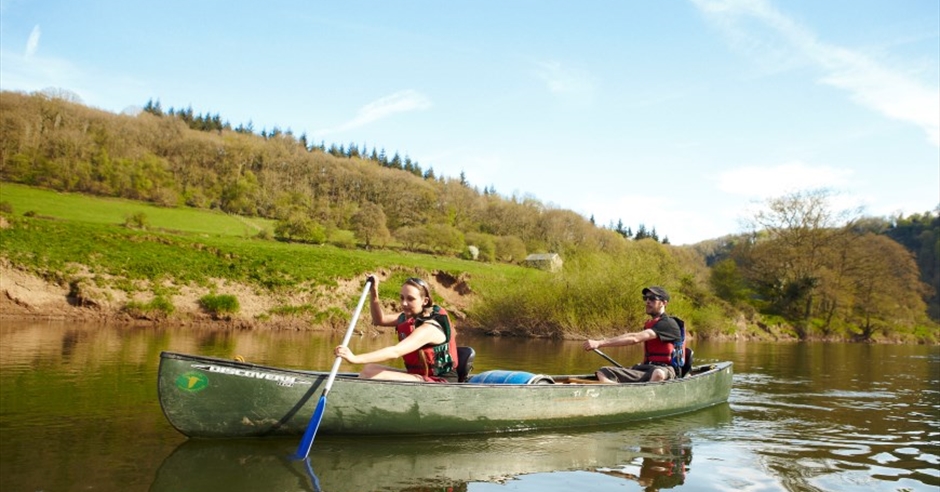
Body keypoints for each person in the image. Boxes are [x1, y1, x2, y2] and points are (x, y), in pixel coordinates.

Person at [334, 275, 459, 382]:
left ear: (425, 301)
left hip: (440, 381)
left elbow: (395, 352)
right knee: (369, 369)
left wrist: (355, 359)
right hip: (422, 376)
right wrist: (374, 291)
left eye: (410, 299)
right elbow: (379, 320)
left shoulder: (429, 328)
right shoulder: (409, 318)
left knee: (372, 375)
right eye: (402, 298)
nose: (404, 303)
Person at [582, 286, 682, 383]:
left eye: (652, 298)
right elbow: (631, 335)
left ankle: (642, 393)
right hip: (646, 368)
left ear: (663, 303)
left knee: (658, 373)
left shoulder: (668, 323)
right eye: (645, 298)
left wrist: (600, 343)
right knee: (603, 372)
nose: (647, 301)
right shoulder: (651, 324)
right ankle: (621, 391)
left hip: (666, 370)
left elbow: (635, 338)